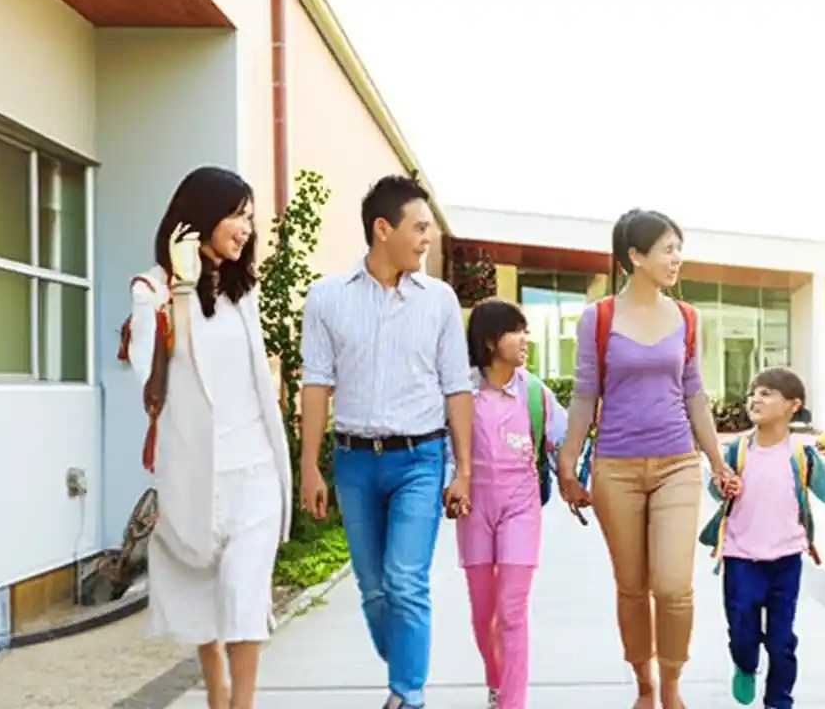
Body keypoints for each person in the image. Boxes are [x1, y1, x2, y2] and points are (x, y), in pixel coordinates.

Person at [298, 174, 473, 709]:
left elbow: (456, 386)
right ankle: (405, 669)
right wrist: (310, 467)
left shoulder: (439, 300)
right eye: (418, 228)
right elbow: (316, 384)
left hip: (420, 460)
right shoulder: (327, 298)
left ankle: (407, 696)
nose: (426, 239)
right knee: (374, 590)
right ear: (382, 229)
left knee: (405, 581)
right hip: (354, 463)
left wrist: (463, 468)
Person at [125, 166, 291, 709]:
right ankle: (215, 682)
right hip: (199, 473)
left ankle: (239, 703)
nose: (246, 228)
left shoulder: (245, 291)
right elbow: (151, 378)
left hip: (256, 471)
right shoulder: (151, 288)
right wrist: (182, 286)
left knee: (245, 596)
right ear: (199, 217)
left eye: (249, 216)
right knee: (202, 592)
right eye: (235, 214)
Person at [556, 208, 732, 709]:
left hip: (677, 463)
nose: (677, 258)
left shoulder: (687, 317)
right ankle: (644, 686)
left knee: (674, 587)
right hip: (617, 468)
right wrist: (569, 464)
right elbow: (586, 395)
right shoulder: (599, 317)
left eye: (679, 247)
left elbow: (694, 393)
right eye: (667, 249)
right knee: (632, 588)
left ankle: (672, 687)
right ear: (635, 256)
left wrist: (717, 460)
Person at [698, 367, 825, 709]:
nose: (755, 399)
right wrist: (722, 483)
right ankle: (745, 665)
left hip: (786, 560)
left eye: (766, 393)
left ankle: (779, 701)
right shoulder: (736, 450)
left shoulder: (801, 454)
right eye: (753, 393)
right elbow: (716, 488)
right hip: (740, 557)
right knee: (743, 631)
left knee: (781, 641)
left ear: (793, 405)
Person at [458, 298, 568, 709]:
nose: (526, 339)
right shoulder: (460, 392)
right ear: (490, 341)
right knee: (482, 610)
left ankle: (512, 702)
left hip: (521, 506)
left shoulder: (535, 393)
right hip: (474, 509)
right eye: (516, 331)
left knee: (512, 610)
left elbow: (565, 444)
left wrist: (578, 477)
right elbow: (444, 449)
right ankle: (496, 681)